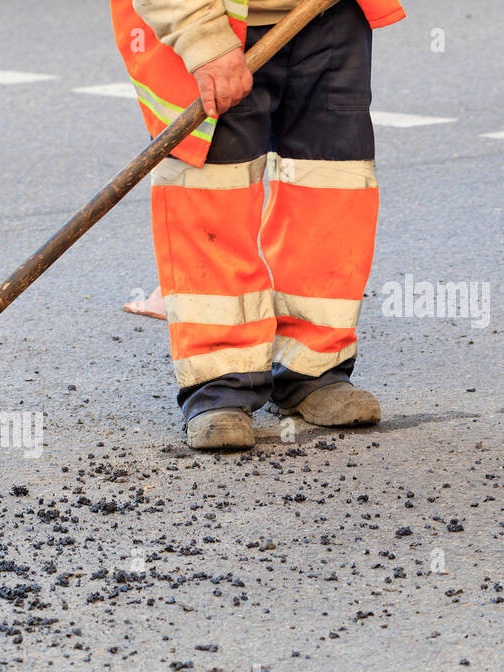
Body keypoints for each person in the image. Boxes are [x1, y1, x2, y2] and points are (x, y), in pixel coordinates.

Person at [112, 0, 405, 449]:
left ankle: (312, 368)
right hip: (214, 24)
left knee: (329, 182)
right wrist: (204, 40)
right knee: (214, 193)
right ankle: (220, 384)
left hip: (328, 14)